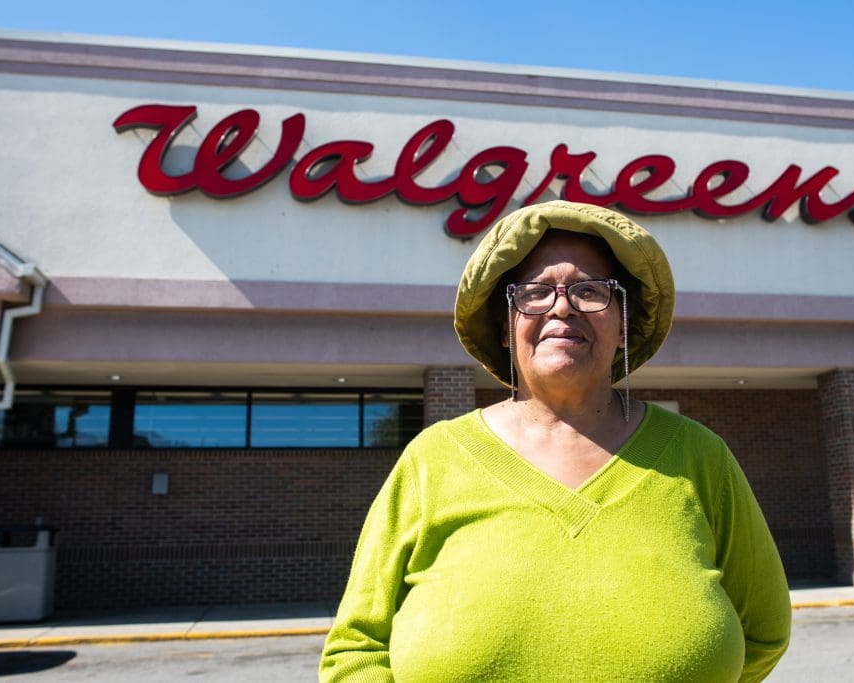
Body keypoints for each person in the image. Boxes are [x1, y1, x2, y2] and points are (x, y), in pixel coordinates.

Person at [319, 200, 791, 682]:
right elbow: (357, 647)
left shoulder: (701, 456)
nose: (562, 306)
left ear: (624, 325)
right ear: (506, 326)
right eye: (535, 292)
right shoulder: (432, 459)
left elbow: (764, 632)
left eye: (591, 291)